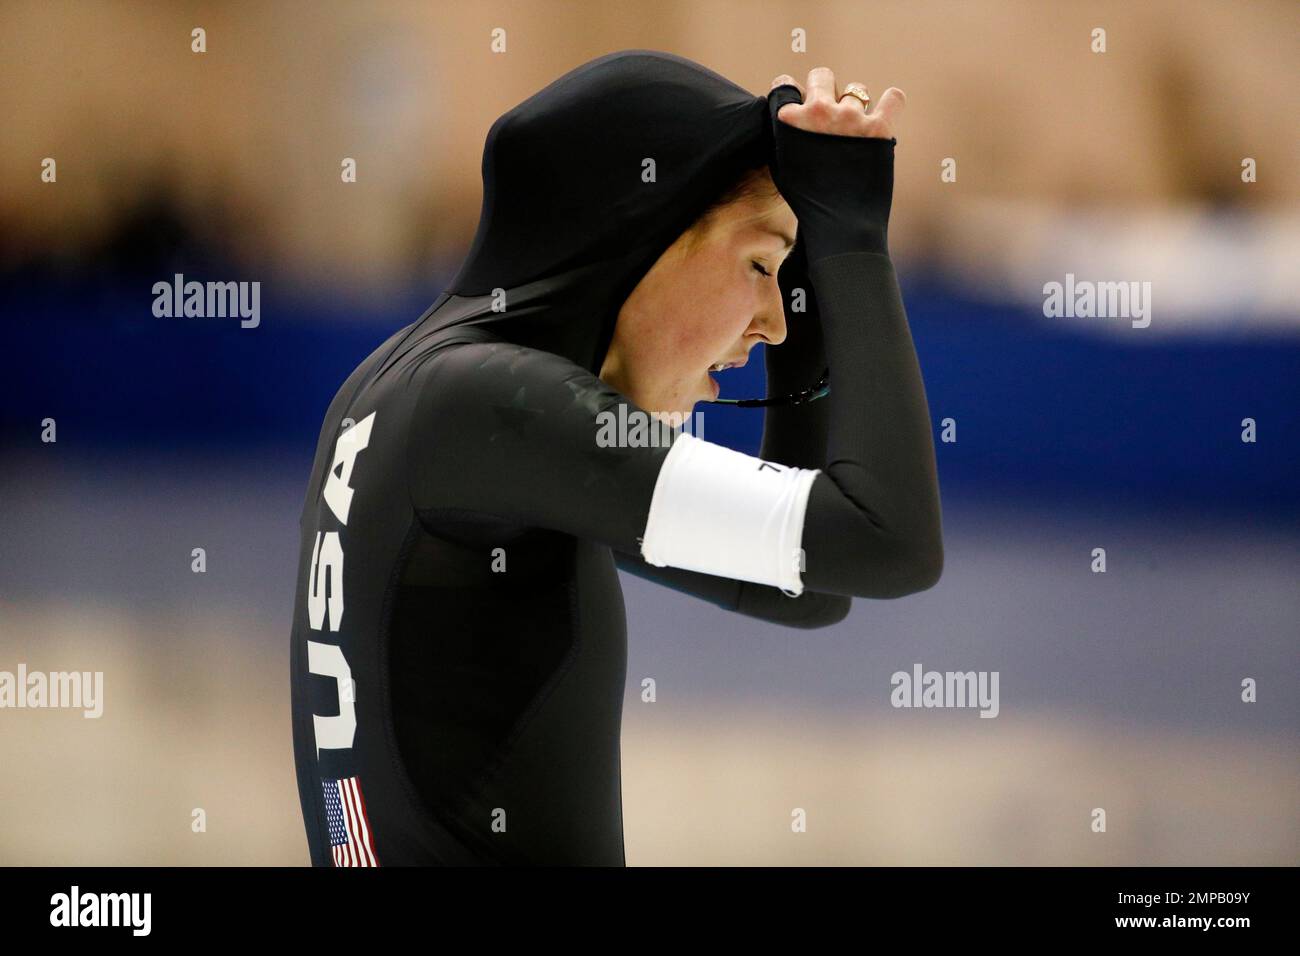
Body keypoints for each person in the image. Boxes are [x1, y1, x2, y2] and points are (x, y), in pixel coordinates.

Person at [289, 49, 942, 866]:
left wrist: (810, 297)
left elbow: (807, 588)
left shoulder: (419, 392)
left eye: (785, 278)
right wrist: (850, 237)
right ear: (642, 236)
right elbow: (892, 542)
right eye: (759, 265)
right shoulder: (492, 406)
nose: (773, 320)